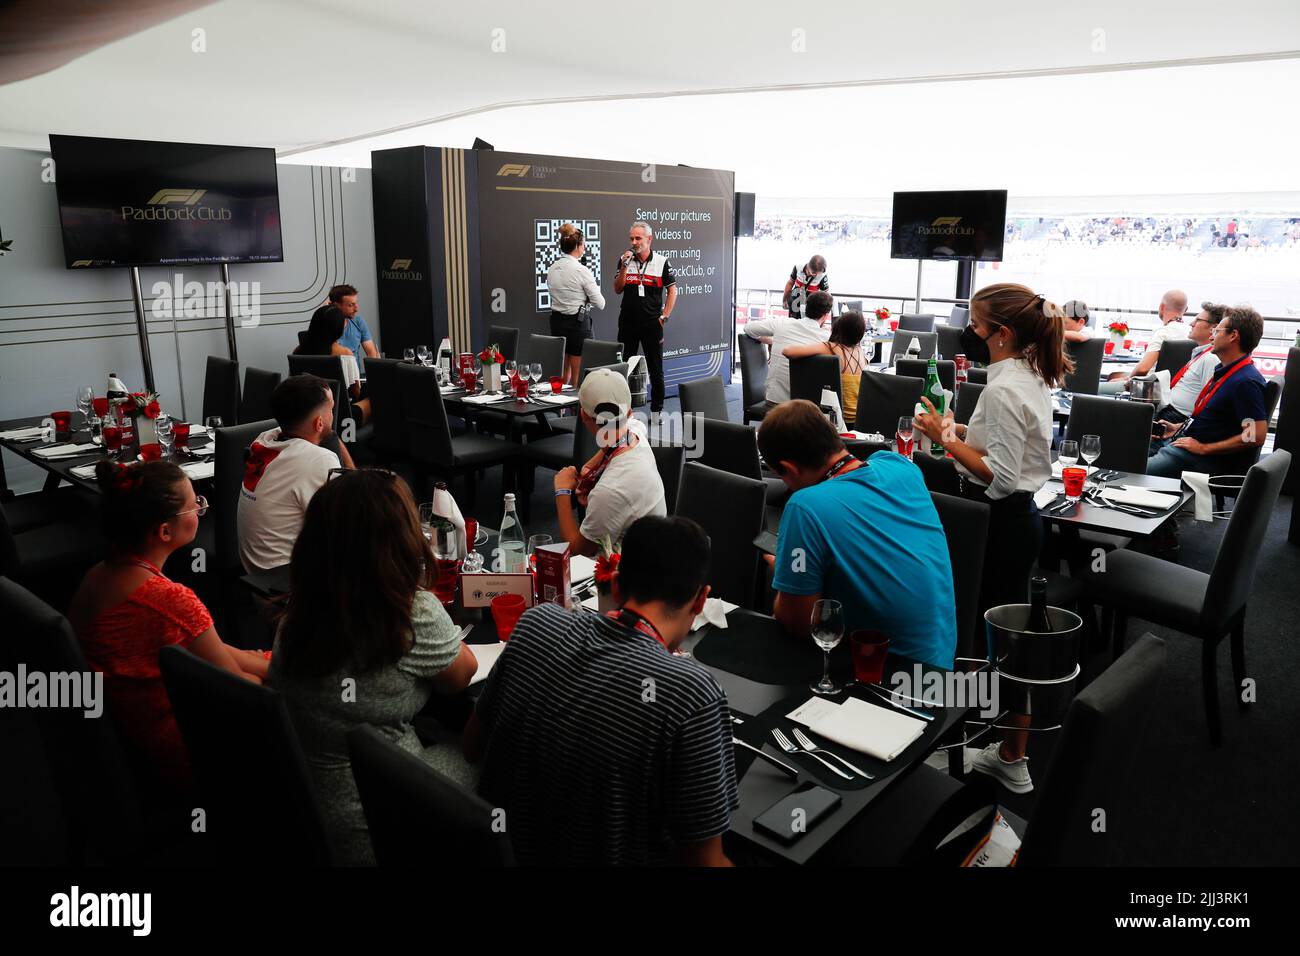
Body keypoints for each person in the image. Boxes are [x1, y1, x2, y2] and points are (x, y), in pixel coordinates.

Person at [464, 515, 738, 866]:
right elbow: (704, 861)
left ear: (617, 585)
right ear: (701, 601)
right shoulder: (692, 694)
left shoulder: (536, 622)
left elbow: (473, 746)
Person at [269, 469, 478, 865]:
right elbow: (462, 675)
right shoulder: (407, 612)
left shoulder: (297, 610)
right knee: (502, 751)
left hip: (308, 805)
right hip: (382, 818)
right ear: (400, 537)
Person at [913, 282, 1071, 793]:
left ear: (1002, 333)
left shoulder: (1003, 389)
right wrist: (959, 434)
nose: (971, 333)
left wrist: (943, 439)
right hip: (1017, 521)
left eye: (977, 326)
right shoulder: (1027, 376)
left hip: (998, 523)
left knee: (992, 640)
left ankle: (998, 754)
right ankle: (1005, 749)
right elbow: (1005, 455)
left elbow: (998, 477)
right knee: (1004, 637)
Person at [69, 461, 268, 793]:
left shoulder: (97, 575)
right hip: (174, 749)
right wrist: (260, 672)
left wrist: (259, 661)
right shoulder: (169, 600)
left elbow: (200, 644)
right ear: (164, 531)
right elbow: (241, 695)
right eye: (196, 505)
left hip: (122, 731)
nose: (201, 508)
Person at [759, 401, 957, 668]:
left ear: (789, 469)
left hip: (883, 675)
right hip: (941, 665)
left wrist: (784, 573)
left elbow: (800, 624)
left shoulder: (806, 506)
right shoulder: (901, 466)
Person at [237, 374, 353, 573]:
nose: (333, 416)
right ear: (319, 423)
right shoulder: (317, 460)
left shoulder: (265, 439)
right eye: (331, 410)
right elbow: (349, 522)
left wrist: (328, 433)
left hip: (257, 577)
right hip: (287, 588)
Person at [552, 368, 666, 556]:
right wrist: (591, 468)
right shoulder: (634, 433)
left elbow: (579, 550)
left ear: (583, 415)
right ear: (629, 412)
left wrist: (562, 491)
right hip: (654, 555)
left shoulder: (610, 490)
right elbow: (636, 426)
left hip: (626, 575)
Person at [1147, 306, 1268, 478]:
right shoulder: (1225, 371)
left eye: (1217, 331)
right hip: (1182, 443)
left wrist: (1204, 448)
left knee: (1128, 470)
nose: (1212, 336)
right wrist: (1178, 428)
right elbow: (1216, 421)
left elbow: (1254, 435)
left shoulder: (1245, 382)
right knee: (1125, 452)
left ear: (1233, 336)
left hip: (1197, 458)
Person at [614, 221, 675, 419]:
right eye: (631, 238)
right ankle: (624, 413)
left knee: (656, 369)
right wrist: (624, 266)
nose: (634, 242)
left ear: (649, 239)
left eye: (638, 238)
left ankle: (657, 411)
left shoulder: (662, 261)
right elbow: (617, 288)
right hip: (628, 323)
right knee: (623, 368)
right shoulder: (624, 260)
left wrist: (664, 315)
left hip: (652, 325)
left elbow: (672, 290)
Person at [1148, 302, 1225, 448]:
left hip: (1175, 419)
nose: (1191, 323)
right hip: (1168, 414)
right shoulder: (1200, 354)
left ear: (1213, 329)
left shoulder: (1210, 359)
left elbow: (1207, 404)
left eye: (1198, 320)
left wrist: (1182, 427)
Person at [743, 289, 833, 404]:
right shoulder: (826, 338)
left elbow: (748, 328)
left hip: (775, 400)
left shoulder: (783, 323)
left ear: (805, 308)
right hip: (807, 406)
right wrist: (774, 340)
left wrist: (772, 340)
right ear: (825, 316)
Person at [546, 223, 605, 386]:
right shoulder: (581, 270)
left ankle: (561, 411)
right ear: (578, 246)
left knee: (563, 376)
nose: (584, 247)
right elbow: (600, 303)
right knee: (579, 379)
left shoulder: (552, 268)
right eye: (584, 244)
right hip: (577, 325)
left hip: (557, 324)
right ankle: (578, 411)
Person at [780, 309, 866, 421]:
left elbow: (787, 352)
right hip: (859, 418)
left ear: (838, 327)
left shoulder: (830, 347)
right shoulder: (860, 351)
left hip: (837, 418)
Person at [295, 304, 370, 424]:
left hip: (307, 416)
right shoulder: (345, 353)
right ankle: (356, 440)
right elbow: (355, 393)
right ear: (338, 328)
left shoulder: (298, 351)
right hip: (342, 418)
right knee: (378, 398)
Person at [1106, 289, 1188, 387]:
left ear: (1162, 307)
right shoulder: (1191, 332)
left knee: (1098, 387)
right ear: (1186, 309)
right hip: (1174, 385)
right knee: (1113, 375)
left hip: (1148, 387)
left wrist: (1128, 381)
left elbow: (1143, 369)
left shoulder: (1163, 332)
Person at [326, 284, 379, 363]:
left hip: (355, 375)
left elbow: (371, 353)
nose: (356, 309)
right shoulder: (323, 325)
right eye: (351, 305)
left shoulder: (358, 321)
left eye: (356, 303)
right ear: (336, 305)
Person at [782, 255, 829, 319]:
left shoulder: (823, 276)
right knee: (793, 325)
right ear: (808, 266)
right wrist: (784, 300)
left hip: (810, 308)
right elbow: (790, 283)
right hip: (794, 305)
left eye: (819, 273)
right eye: (814, 273)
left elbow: (825, 297)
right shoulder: (798, 268)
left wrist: (822, 318)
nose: (817, 275)